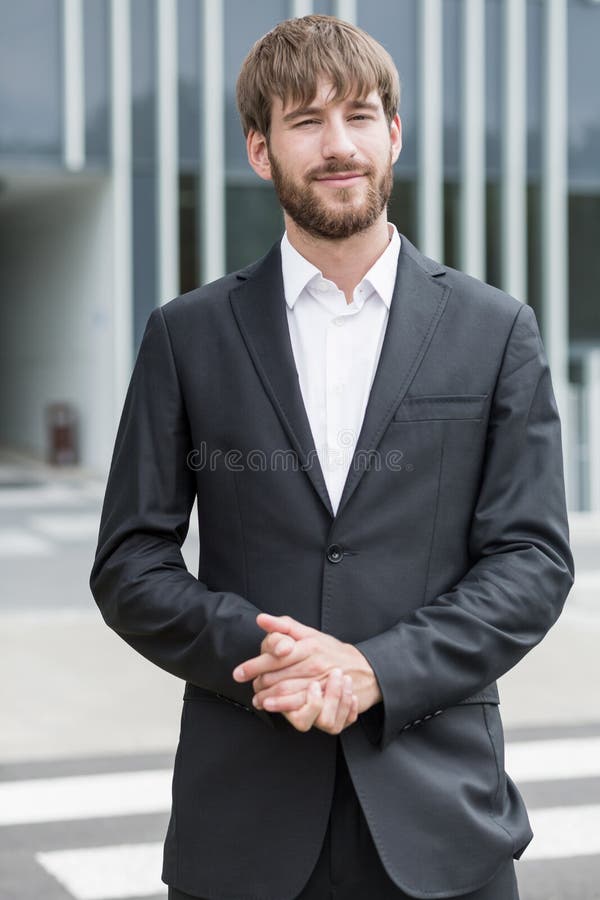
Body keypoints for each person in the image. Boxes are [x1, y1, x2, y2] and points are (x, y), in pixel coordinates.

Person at [90, 14, 574, 900]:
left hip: (442, 816)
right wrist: (269, 656)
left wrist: (376, 669)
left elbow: (532, 559)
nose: (338, 145)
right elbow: (130, 562)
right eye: (306, 121)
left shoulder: (496, 330)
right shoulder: (186, 335)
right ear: (260, 150)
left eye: (358, 116)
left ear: (394, 134)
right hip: (243, 820)